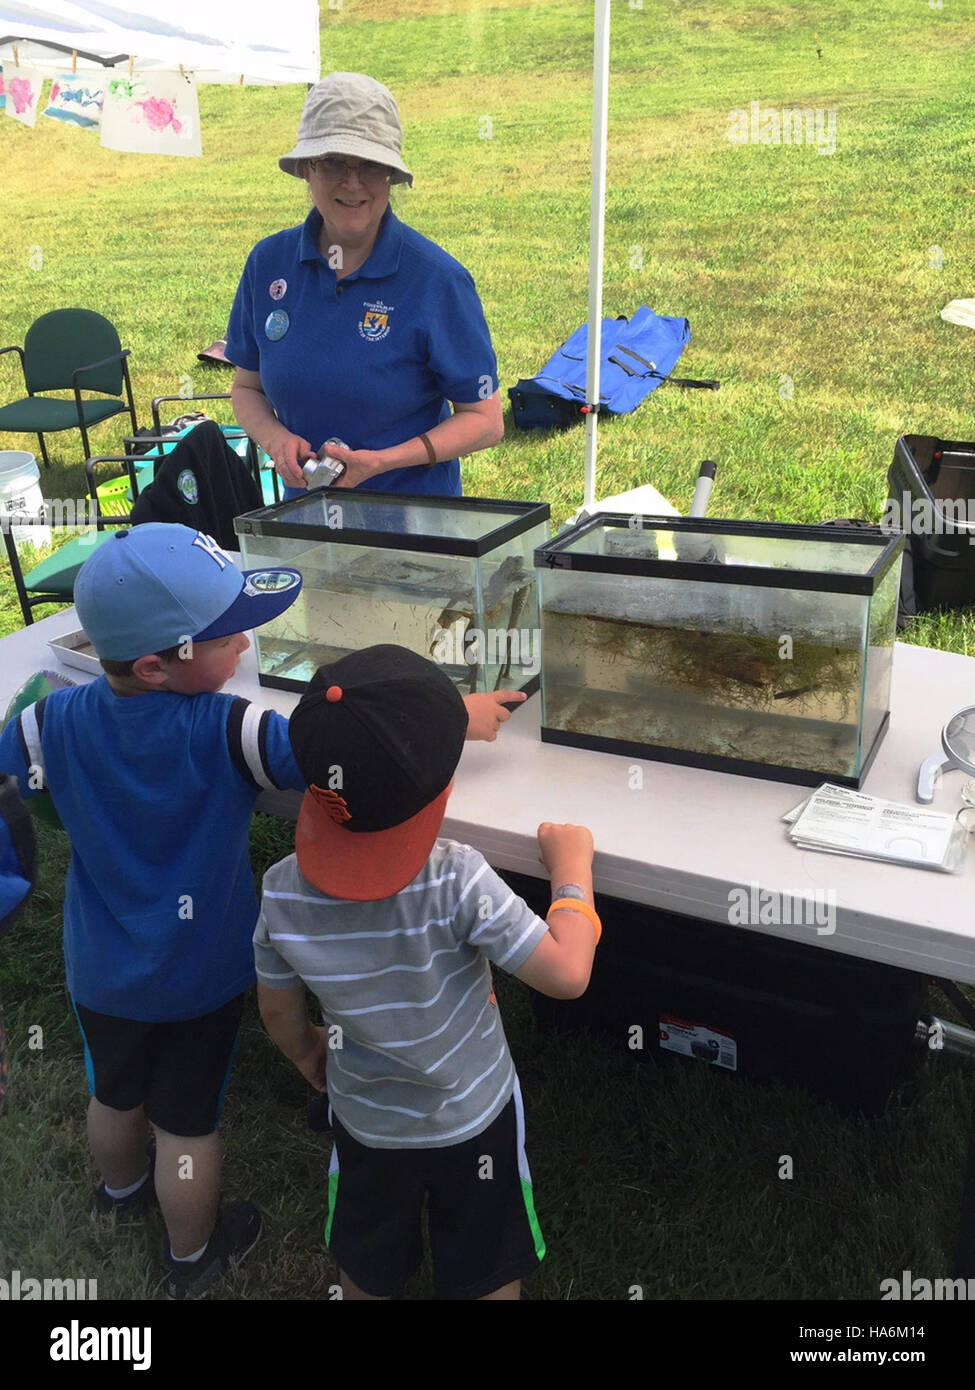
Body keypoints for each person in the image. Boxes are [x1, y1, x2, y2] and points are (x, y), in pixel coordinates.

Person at [0, 526, 523, 1299]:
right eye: (225, 633)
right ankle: (192, 1255)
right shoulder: (229, 729)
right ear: (156, 664)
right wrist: (451, 711)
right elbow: (335, 747)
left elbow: (23, 769)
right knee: (187, 1121)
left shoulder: (47, 724)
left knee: (112, 1090)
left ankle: (115, 1195)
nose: (246, 641)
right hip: (198, 975)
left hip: (99, 967)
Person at [254, 646, 599, 1300]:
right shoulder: (456, 878)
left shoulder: (281, 892)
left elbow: (277, 1011)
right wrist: (571, 872)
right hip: (473, 1118)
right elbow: (567, 973)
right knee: (486, 1262)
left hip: (363, 1120)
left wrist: (308, 1056)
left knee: (367, 1258)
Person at [226, 72, 503, 500]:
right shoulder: (268, 264)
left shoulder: (436, 280)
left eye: (371, 166)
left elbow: (485, 421)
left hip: (415, 529)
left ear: (391, 175)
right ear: (305, 169)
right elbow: (247, 387)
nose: (353, 183)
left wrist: (383, 462)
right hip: (302, 522)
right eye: (333, 162)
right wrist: (274, 438)